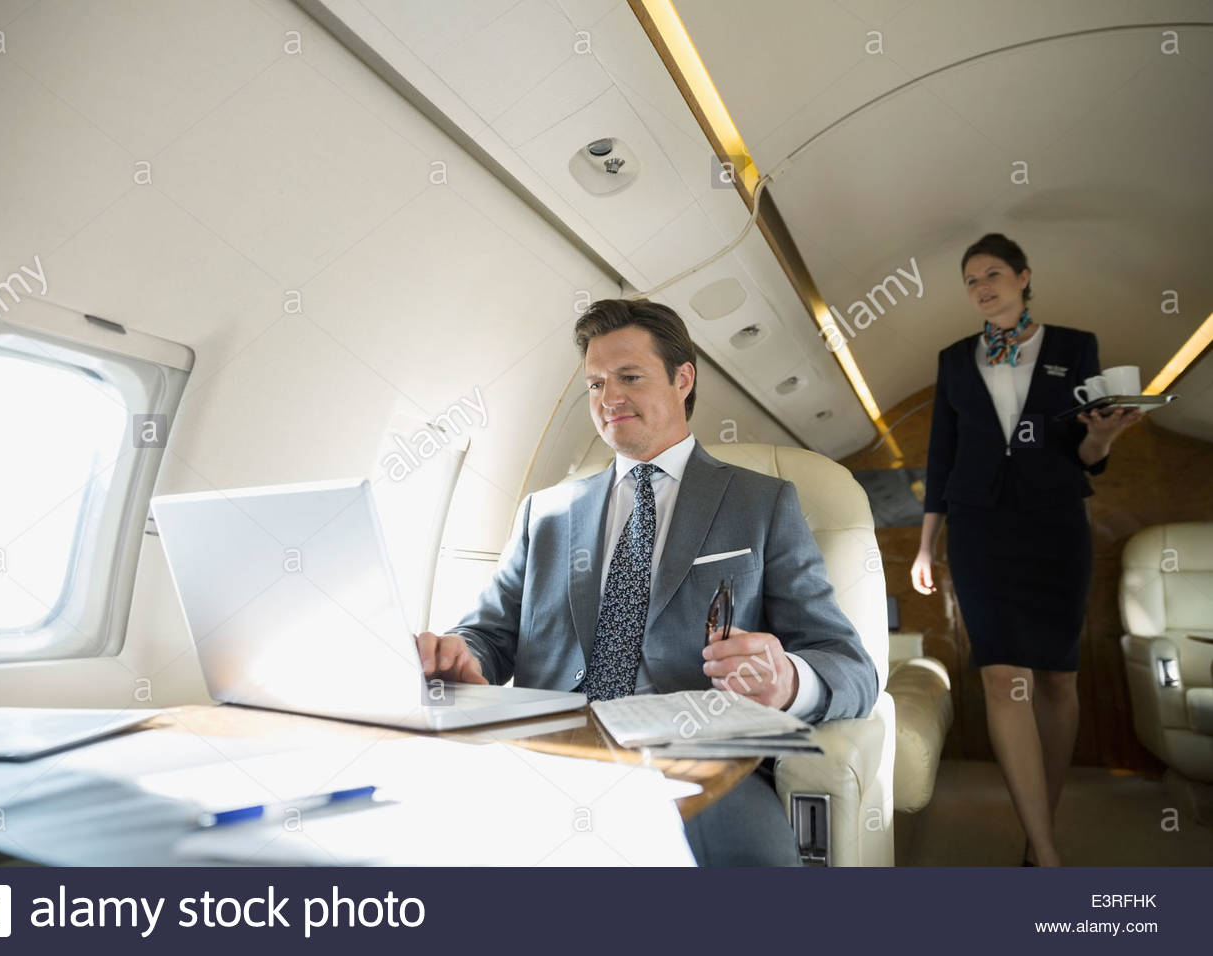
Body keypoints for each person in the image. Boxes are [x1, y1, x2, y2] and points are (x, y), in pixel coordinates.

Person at [415, 298, 878, 866]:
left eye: (630, 377)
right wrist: (462, 656)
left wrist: (787, 681)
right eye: (595, 384)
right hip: (550, 755)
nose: (609, 399)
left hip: (695, 765)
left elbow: (850, 666)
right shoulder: (546, 513)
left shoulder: (762, 504)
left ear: (683, 379)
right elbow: (490, 636)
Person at [911, 233, 1142, 866]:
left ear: (1023, 277)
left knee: (1058, 681)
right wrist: (926, 546)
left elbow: (1087, 455)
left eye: (992, 274)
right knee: (1002, 675)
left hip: (1055, 524)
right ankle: (1044, 848)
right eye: (971, 281)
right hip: (979, 528)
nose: (982, 287)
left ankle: (1045, 814)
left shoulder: (1074, 347)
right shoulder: (956, 358)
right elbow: (942, 455)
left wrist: (1102, 437)